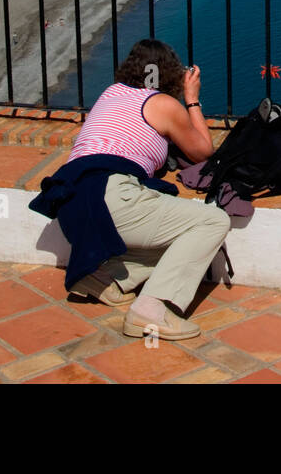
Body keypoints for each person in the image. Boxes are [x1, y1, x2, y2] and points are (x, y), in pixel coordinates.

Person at [48, 39, 228, 341]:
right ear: (171, 73)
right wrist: (192, 98)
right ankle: (151, 310)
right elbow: (202, 151)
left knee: (176, 248)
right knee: (213, 222)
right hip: (112, 196)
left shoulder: (110, 93)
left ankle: (101, 277)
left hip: (69, 199)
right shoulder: (163, 104)